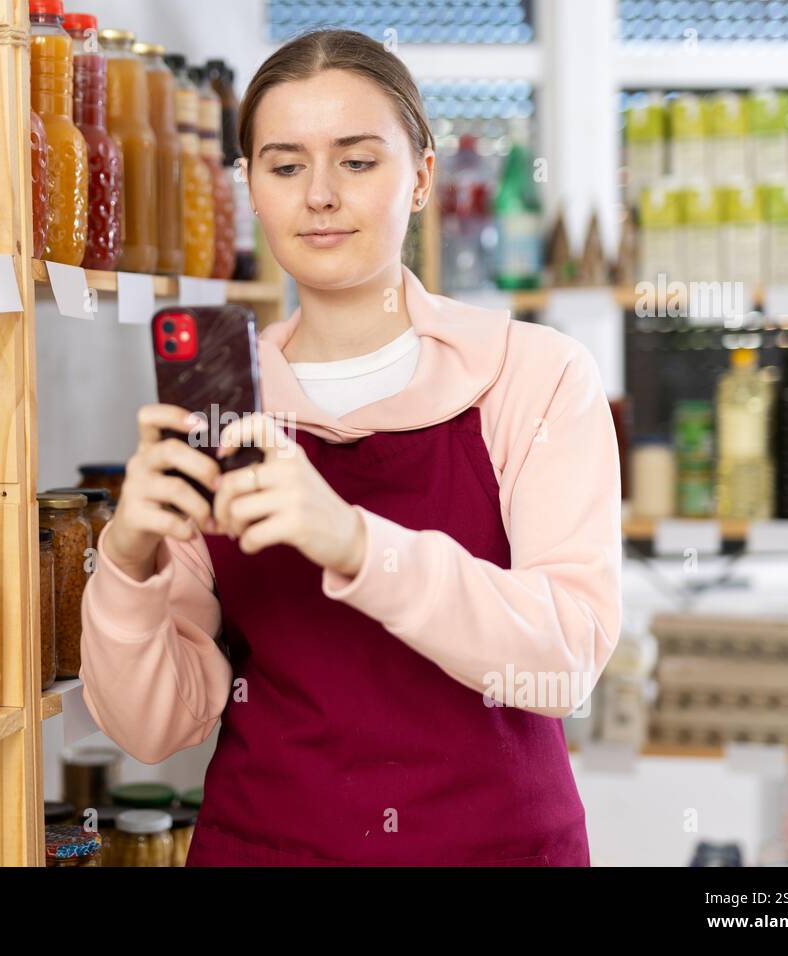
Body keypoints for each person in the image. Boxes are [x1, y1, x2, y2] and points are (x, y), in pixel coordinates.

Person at [78, 28, 622, 866]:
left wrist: (354, 541)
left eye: (357, 161)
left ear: (421, 178)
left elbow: (565, 662)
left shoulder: (533, 374)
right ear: (252, 188)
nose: (319, 195)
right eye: (285, 165)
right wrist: (128, 557)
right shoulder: (220, 398)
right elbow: (157, 727)